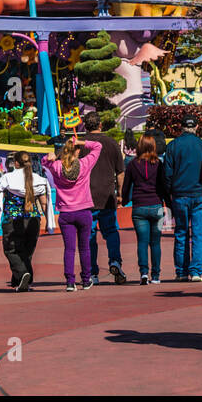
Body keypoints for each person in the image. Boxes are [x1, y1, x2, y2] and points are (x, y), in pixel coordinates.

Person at [40, 135, 104, 291]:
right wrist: (81, 141)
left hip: (66, 214)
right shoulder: (84, 164)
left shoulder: (56, 167)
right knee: (85, 248)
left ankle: (70, 282)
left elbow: (44, 161)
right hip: (83, 212)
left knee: (69, 249)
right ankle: (86, 279)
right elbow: (98, 146)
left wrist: (52, 156)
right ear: (77, 151)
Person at [0, 152, 51, 292]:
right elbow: (44, 202)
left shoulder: (7, 179)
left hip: (13, 220)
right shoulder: (40, 180)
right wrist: (49, 222)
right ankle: (19, 280)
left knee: (11, 250)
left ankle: (23, 275)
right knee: (26, 251)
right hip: (33, 220)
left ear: (16, 163)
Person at [161, 114, 202, 282]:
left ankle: (181, 271)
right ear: (196, 127)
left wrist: (169, 195)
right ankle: (196, 270)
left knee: (181, 232)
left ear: (181, 127)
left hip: (179, 194)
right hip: (199, 193)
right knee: (199, 232)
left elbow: (167, 174)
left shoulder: (173, 146)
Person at [82, 111, 127, 286]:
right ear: (100, 125)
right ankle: (115, 261)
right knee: (111, 232)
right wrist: (120, 192)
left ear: (85, 126)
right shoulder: (111, 143)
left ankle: (92, 271)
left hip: (86, 196)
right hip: (107, 195)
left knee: (89, 235)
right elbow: (120, 171)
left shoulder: (80, 144)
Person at [122, 134, 170, 284]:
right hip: (156, 206)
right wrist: (167, 202)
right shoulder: (159, 164)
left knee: (142, 242)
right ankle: (155, 275)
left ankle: (143, 273)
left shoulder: (132, 164)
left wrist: (124, 200)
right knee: (155, 242)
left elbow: (126, 185)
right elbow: (164, 185)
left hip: (139, 207)